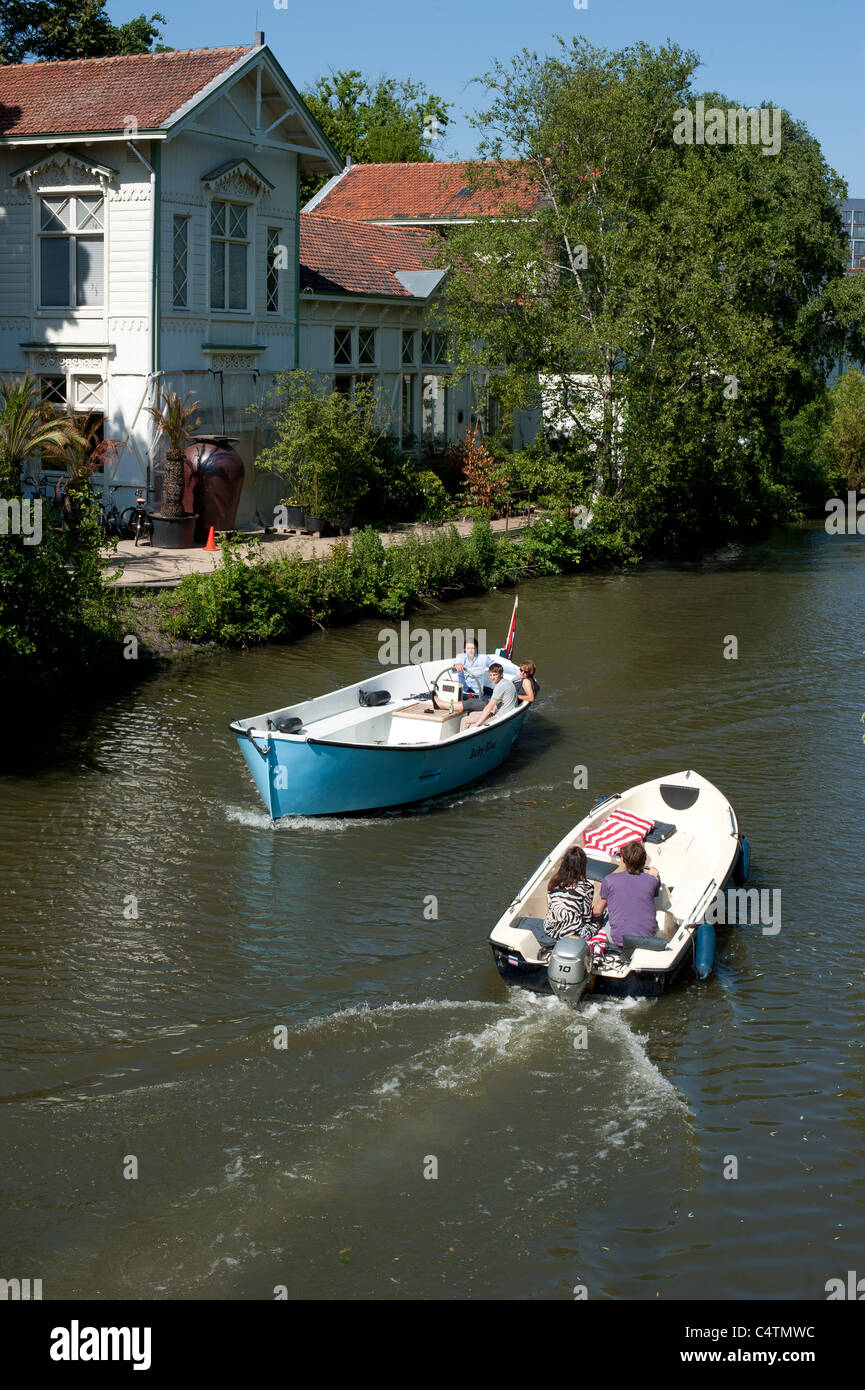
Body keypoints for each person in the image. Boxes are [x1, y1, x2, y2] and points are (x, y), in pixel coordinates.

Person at [593, 839, 661, 945]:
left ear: (623, 860)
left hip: (618, 940)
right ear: (643, 861)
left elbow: (597, 912)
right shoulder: (652, 881)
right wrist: (652, 876)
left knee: (606, 912)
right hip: (646, 938)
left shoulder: (609, 880)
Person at [542, 846, 595, 941]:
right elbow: (586, 918)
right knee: (596, 923)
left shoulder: (554, 882)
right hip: (572, 934)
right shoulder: (587, 887)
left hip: (550, 929)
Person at [434, 635, 494, 716]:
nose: (470, 651)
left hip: (478, 693)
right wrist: (456, 665)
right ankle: (444, 704)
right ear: (465, 649)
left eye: (473, 648)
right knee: (474, 702)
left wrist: (516, 672)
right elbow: (453, 669)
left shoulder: (484, 658)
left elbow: (497, 666)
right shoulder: (460, 657)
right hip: (463, 693)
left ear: (476, 649)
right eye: (468, 648)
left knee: (488, 700)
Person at [460, 663, 518, 730]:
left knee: (464, 720)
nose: (492, 677)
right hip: (506, 714)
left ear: (501, 674)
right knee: (472, 714)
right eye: (490, 675)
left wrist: (476, 724)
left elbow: (489, 707)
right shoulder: (507, 682)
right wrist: (494, 707)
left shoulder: (500, 686)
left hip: (500, 718)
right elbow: (501, 700)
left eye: (495, 675)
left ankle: (462, 739)